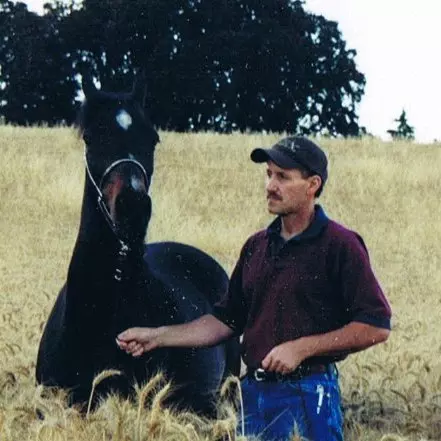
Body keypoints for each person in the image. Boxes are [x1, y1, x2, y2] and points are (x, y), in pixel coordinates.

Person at [116, 136, 392, 441]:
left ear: (312, 185)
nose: (270, 185)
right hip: (251, 396)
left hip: (309, 396)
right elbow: (225, 321)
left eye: (283, 177)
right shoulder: (256, 246)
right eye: (269, 174)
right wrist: (156, 337)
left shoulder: (340, 244)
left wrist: (301, 348)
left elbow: (375, 326)